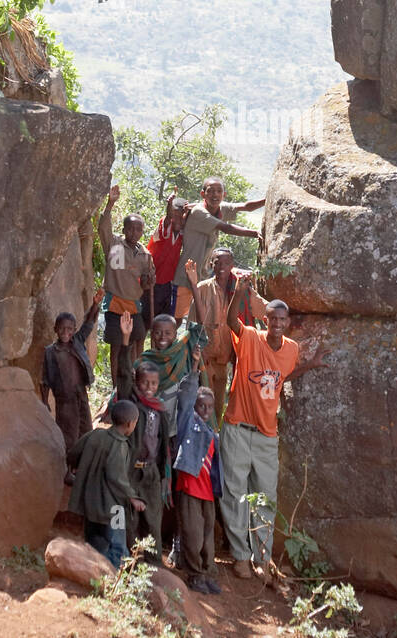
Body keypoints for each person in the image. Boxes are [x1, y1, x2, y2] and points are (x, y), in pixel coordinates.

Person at [220, 274, 328, 589]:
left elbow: (284, 375)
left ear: (288, 322)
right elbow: (230, 321)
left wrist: (312, 365)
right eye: (273, 319)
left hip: (267, 435)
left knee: (265, 497)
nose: (277, 323)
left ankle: (262, 559)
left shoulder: (292, 349)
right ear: (265, 320)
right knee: (235, 494)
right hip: (238, 428)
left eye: (282, 319)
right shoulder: (251, 337)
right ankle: (241, 556)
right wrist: (239, 292)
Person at [172, 177, 264, 320]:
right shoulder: (199, 212)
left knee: (200, 319)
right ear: (203, 194)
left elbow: (246, 206)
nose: (215, 195)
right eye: (211, 191)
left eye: (219, 191)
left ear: (224, 194)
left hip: (202, 275)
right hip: (185, 275)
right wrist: (254, 233)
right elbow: (225, 228)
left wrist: (267, 200)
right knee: (175, 320)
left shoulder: (220, 208)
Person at [67, 401, 145, 569]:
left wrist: (76, 466)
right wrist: (132, 497)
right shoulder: (120, 446)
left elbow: (73, 453)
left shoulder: (95, 435)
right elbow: (117, 477)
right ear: (130, 424)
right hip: (114, 508)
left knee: (94, 541)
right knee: (117, 545)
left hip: (90, 503)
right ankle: (115, 582)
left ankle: (93, 574)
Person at [140, 259, 208, 452]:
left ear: (175, 333)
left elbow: (202, 324)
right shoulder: (146, 359)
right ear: (151, 335)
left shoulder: (183, 348)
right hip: (153, 430)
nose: (163, 337)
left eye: (168, 333)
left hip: (179, 425)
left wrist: (194, 284)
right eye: (158, 333)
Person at [192, 247, 269, 415]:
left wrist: (283, 314)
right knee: (202, 401)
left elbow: (264, 310)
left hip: (227, 357)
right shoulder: (202, 288)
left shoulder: (242, 289)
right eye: (217, 263)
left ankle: (215, 435)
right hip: (206, 357)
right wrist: (198, 350)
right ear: (211, 265)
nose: (221, 267)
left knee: (218, 403)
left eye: (226, 263)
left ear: (232, 265)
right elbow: (192, 325)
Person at [40, 287, 104, 476]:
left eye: (69, 329)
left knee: (85, 429)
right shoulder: (51, 352)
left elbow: (89, 323)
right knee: (68, 434)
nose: (65, 332)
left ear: (74, 330)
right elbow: (45, 379)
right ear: (55, 329)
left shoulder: (77, 341)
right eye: (61, 328)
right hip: (65, 399)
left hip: (80, 394)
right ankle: (67, 471)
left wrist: (95, 304)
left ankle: (81, 467)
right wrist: (45, 402)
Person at [99, 186, 155, 388]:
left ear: (142, 231)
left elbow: (149, 282)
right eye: (130, 228)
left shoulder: (145, 255)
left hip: (134, 306)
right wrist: (110, 204)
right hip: (114, 304)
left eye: (138, 229)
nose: (134, 232)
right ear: (123, 230)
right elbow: (102, 228)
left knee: (138, 341)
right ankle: (116, 388)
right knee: (116, 347)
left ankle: (134, 383)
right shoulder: (114, 245)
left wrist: (149, 283)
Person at [174, 386, 223, 594]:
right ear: (194, 406)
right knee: (192, 535)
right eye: (201, 405)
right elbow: (184, 399)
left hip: (207, 493)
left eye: (210, 407)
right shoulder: (189, 425)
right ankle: (194, 575)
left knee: (206, 536)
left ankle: (205, 572)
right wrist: (194, 369)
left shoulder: (213, 434)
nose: (205, 410)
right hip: (190, 489)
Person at [125, 360, 172, 562]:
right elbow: (123, 375)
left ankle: (153, 566)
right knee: (131, 519)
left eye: (153, 384)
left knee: (153, 518)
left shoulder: (160, 411)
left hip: (151, 470)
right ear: (137, 382)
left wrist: (162, 473)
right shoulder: (132, 406)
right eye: (145, 383)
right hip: (132, 471)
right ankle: (131, 562)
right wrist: (126, 341)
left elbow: (162, 443)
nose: (149, 388)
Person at [146, 193, 188, 319]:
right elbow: (168, 219)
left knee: (162, 318)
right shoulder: (165, 228)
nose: (178, 220)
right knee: (148, 318)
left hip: (166, 283)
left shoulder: (182, 233)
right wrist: (169, 204)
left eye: (182, 217)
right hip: (151, 281)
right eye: (175, 216)